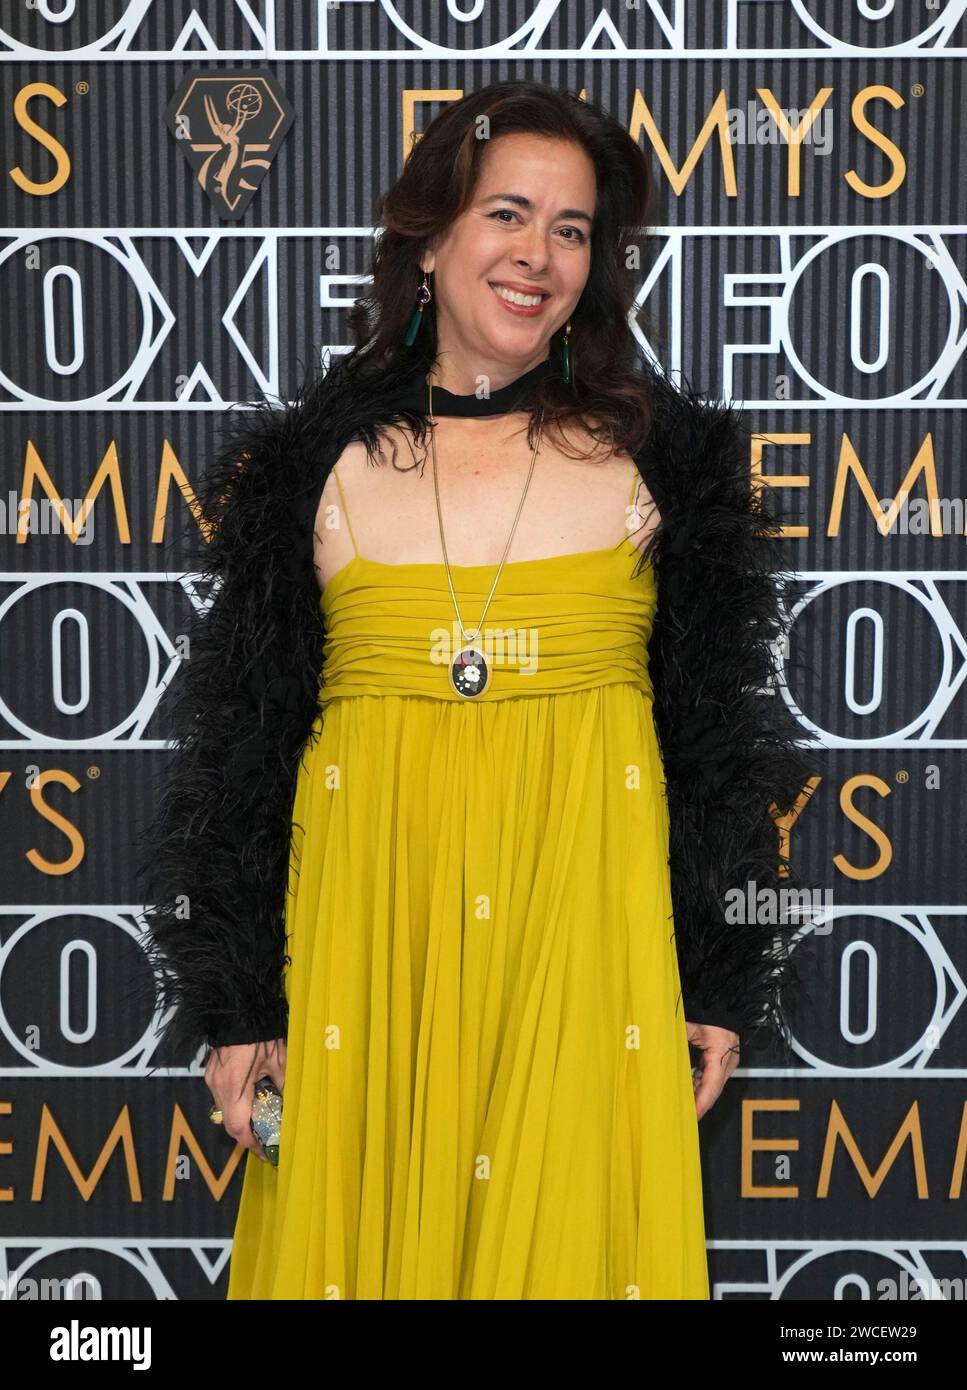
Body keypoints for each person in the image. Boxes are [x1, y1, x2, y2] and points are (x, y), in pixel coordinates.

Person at [134, 81, 812, 1299]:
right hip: (367, 943)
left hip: (585, 933)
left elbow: (714, 741)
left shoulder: (661, 466)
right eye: (509, 213)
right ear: (433, 236)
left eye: (572, 229)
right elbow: (243, 749)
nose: (539, 255)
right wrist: (237, 999)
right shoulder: (312, 470)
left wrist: (711, 972)